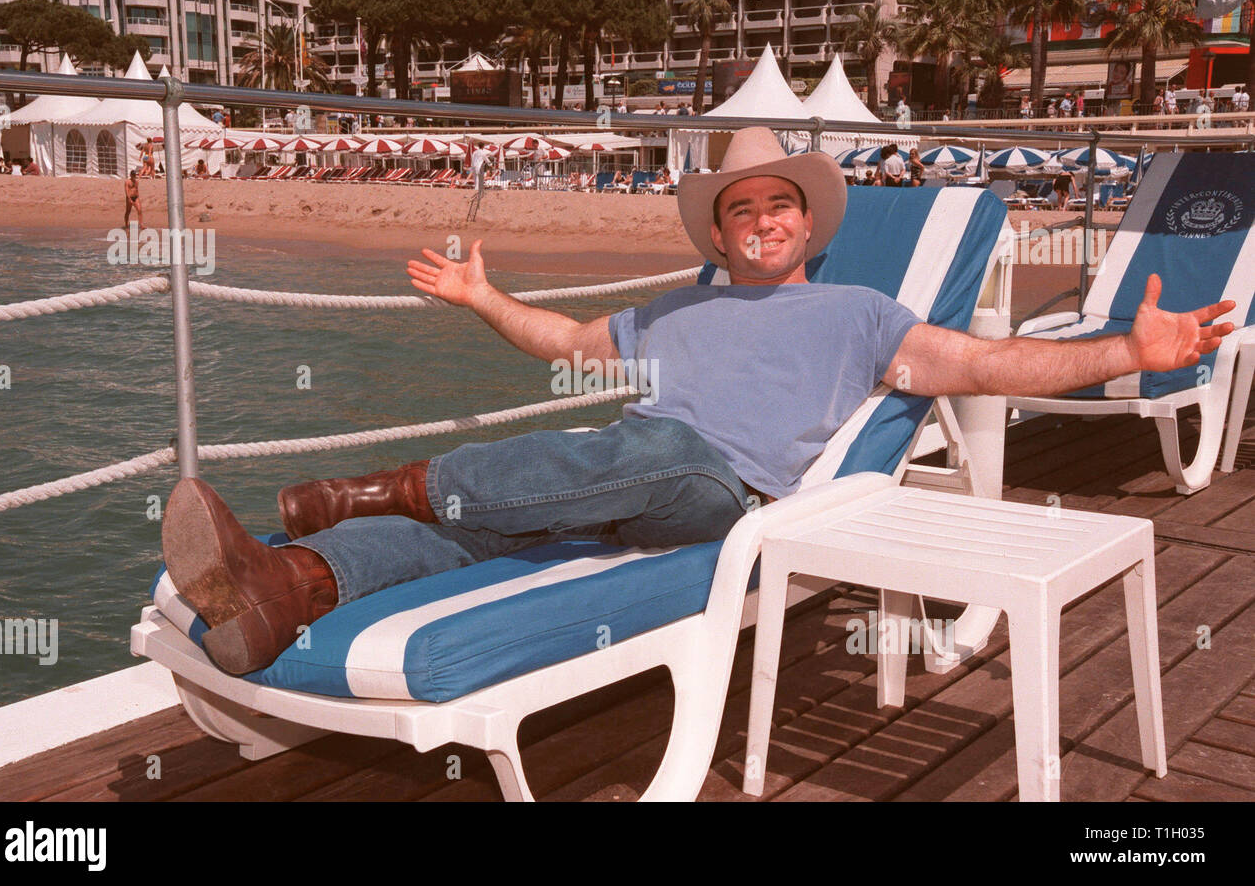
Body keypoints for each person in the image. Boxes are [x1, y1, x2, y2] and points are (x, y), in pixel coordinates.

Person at [159, 126, 1237, 675]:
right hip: (618, 472)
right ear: (717, 232)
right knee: (500, 525)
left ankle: (365, 493)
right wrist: (486, 299)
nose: (761, 221)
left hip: (728, 500)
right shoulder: (675, 311)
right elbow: (564, 342)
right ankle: (290, 582)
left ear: (806, 225)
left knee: (657, 454)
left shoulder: (861, 312)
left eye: (779, 205)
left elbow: (990, 367)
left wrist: (1119, 351)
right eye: (740, 210)